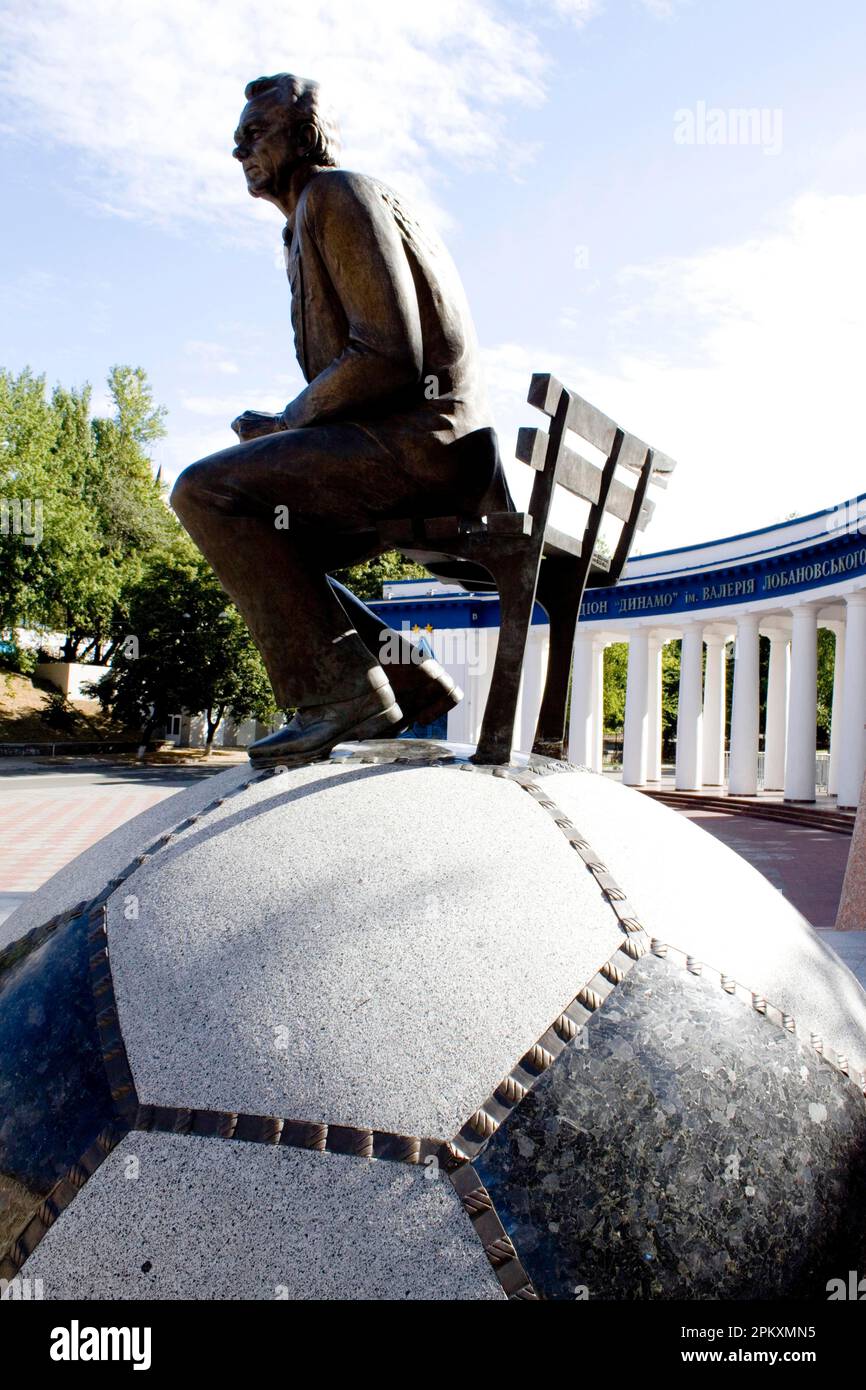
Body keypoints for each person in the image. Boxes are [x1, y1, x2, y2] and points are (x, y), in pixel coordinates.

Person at [171, 73, 509, 764]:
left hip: (426, 447)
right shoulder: (312, 219)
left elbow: (388, 354)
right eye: (236, 141)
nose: (241, 153)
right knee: (265, 536)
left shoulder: (336, 193)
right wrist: (287, 427)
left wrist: (292, 422)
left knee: (205, 492)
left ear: (304, 135)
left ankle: (339, 694)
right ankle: (406, 676)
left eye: (256, 135)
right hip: (420, 442)